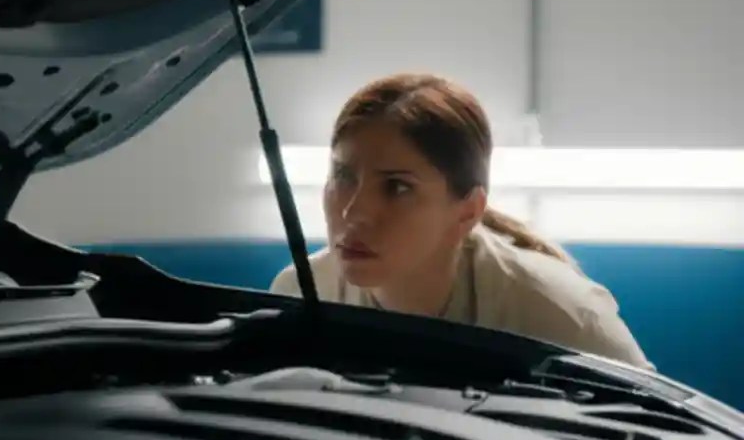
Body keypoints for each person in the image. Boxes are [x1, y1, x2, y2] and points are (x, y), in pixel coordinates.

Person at [270, 73, 653, 370]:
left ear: (467, 211)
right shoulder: (299, 294)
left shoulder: (565, 316)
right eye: (343, 175)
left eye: (397, 187)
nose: (353, 211)